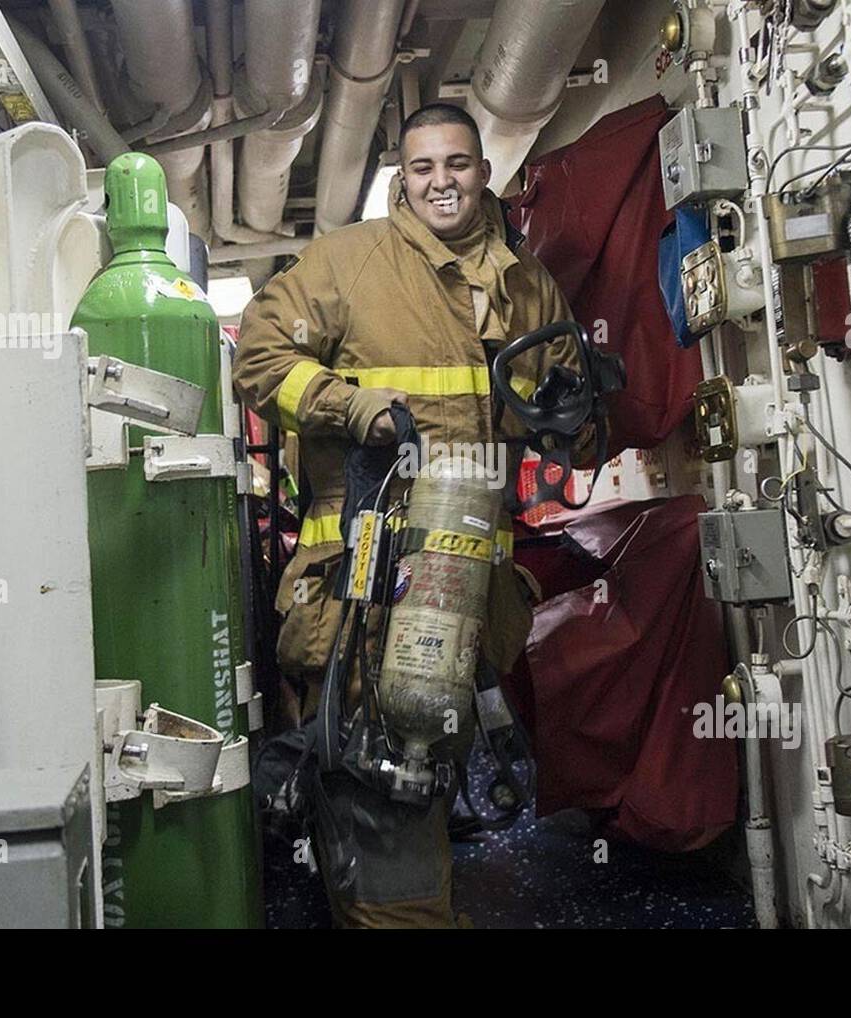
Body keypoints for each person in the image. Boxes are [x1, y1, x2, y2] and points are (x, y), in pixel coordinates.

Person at [234, 103, 582, 928]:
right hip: (368, 592)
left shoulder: (525, 284)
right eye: (423, 168)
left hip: (473, 593)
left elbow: (573, 417)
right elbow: (258, 358)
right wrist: (349, 407)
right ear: (402, 178)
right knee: (380, 790)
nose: (442, 182)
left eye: (457, 164)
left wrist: (568, 412)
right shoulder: (349, 264)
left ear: (483, 172)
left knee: (419, 783)